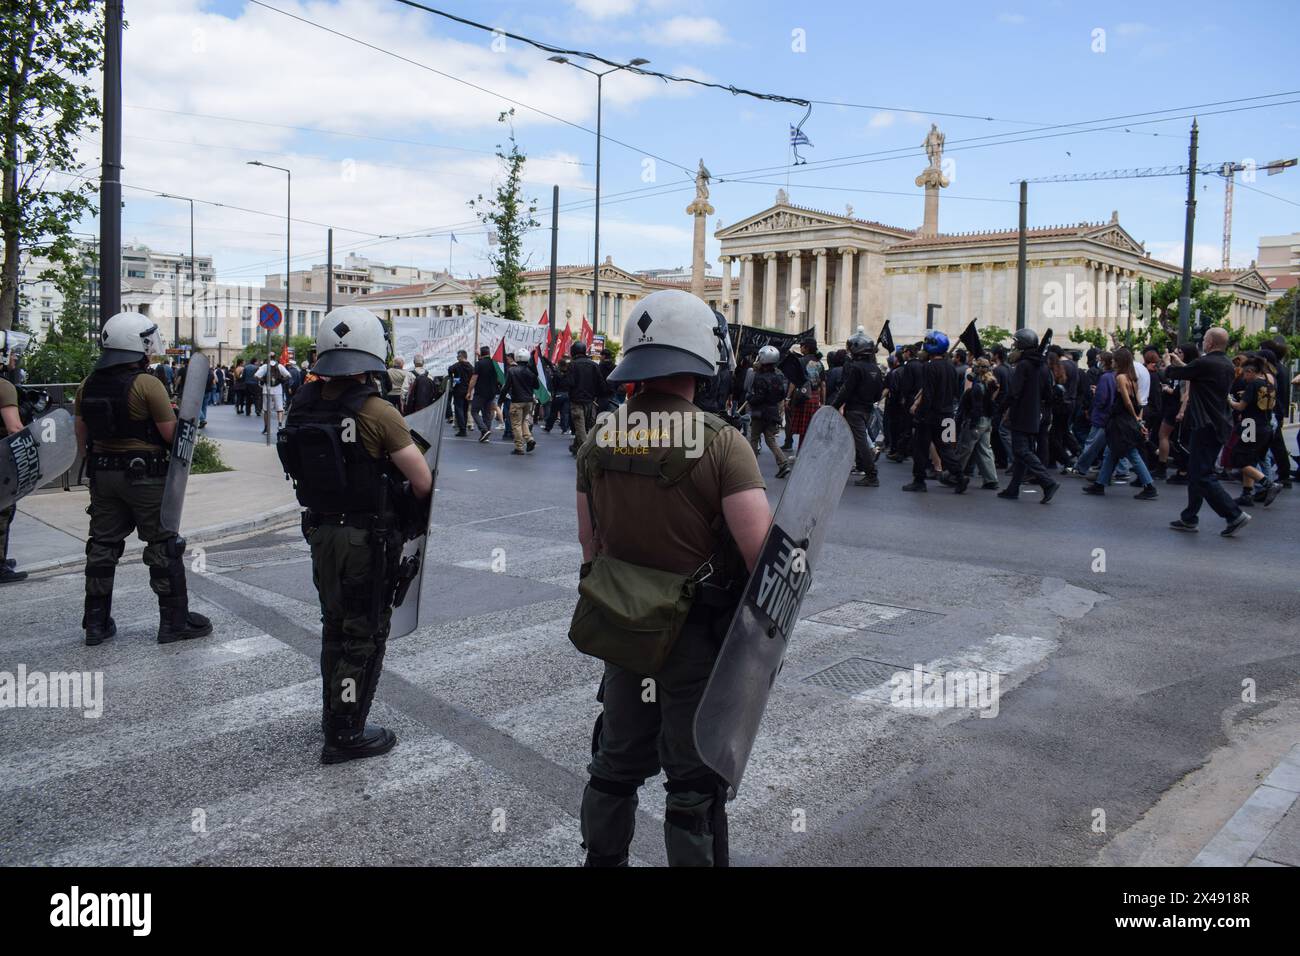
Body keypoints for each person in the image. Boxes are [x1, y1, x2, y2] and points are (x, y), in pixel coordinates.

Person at [574, 288, 770, 867]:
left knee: (614, 762)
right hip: (695, 640)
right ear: (702, 359)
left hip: (623, 628)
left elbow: (591, 546)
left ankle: (601, 860)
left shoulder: (599, 436)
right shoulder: (722, 443)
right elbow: (761, 553)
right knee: (693, 781)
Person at [278, 306, 432, 764]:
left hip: (321, 531)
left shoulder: (301, 403)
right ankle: (345, 733)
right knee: (362, 632)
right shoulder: (376, 411)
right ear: (374, 353)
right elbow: (421, 481)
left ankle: (333, 711)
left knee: (334, 625)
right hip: (364, 539)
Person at [74, 312, 213, 646]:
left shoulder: (87, 384)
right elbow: (170, 436)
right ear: (138, 343)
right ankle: (174, 623)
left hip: (103, 474)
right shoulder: (147, 383)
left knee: (103, 546)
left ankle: (96, 623)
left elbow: (81, 439)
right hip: (144, 476)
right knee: (164, 545)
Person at [1162, 327, 1249, 536]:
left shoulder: (1206, 363)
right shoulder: (1225, 363)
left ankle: (1233, 514)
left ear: (1209, 342)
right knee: (1196, 472)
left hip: (1205, 424)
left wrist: (1167, 362)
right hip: (1218, 423)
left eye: (1205, 339)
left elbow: (1174, 373)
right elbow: (1195, 372)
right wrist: (1183, 364)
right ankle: (1189, 517)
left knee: (1202, 474)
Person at [1081, 348, 1158, 499]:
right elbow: (1137, 400)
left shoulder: (1121, 377)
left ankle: (1149, 486)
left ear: (1120, 361)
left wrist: (1135, 417)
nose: (1112, 362)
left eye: (1115, 360)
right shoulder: (1132, 377)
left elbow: (1127, 401)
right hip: (1126, 421)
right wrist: (1137, 418)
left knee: (1132, 454)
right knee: (1111, 452)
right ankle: (1100, 484)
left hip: (1121, 421)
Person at [997, 328, 1060, 503]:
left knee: (1022, 451)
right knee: (1020, 455)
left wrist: (1001, 409)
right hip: (1034, 416)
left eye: (1017, 344)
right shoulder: (1043, 366)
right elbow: (1049, 394)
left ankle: (1048, 482)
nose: (1014, 347)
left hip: (1021, 415)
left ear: (1023, 346)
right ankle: (1013, 489)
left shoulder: (1024, 365)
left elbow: (1014, 392)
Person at [904, 330, 964, 493]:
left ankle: (919, 480)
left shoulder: (930, 368)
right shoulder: (951, 368)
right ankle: (959, 476)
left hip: (931, 417)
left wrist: (920, 415)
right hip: (948, 414)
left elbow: (928, 395)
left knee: (921, 448)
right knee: (946, 448)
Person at [1227, 356, 1282, 508]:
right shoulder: (1269, 384)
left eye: (1245, 373)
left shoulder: (1253, 384)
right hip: (1265, 426)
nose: (1244, 377)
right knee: (1250, 459)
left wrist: (1230, 401)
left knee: (1239, 459)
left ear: (1251, 371)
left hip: (1250, 425)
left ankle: (1268, 484)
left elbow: (1240, 407)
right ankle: (1247, 493)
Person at [830, 332, 883, 487]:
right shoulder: (875, 369)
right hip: (867, 409)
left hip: (855, 410)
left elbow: (846, 390)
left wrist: (834, 405)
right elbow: (878, 393)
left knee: (861, 442)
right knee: (856, 440)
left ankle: (871, 474)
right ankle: (860, 465)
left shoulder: (856, 368)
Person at [0, 345, 27, 584]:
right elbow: (14, 428)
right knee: (3, 509)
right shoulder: (4, 386)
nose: (15, 357)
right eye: (11, 353)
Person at [745, 345, 791, 479]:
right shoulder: (777, 377)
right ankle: (783, 463)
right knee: (771, 440)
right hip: (773, 412)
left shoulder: (760, 377)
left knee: (754, 438)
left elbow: (759, 397)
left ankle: (750, 467)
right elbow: (781, 394)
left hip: (760, 413)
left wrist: (750, 398)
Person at [954, 358, 1000, 490]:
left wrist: (972, 425)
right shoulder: (989, 383)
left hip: (977, 421)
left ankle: (953, 474)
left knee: (964, 448)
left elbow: (976, 408)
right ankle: (991, 479)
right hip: (986, 420)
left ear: (978, 369)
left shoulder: (978, 386)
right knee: (985, 449)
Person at [567, 340, 609, 456]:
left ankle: (587, 453)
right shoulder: (594, 365)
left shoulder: (572, 365)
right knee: (584, 426)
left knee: (580, 426)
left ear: (573, 351)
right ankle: (576, 446)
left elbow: (569, 383)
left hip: (577, 401)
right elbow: (601, 384)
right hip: (590, 401)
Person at [501, 348, 538, 455]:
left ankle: (519, 447)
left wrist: (501, 400)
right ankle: (529, 439)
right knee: (523, 422)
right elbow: (536, 385)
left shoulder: (512, 371)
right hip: (528, 401)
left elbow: (506, 387)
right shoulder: (531, 371)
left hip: (517, 401)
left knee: (516, 424)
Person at [466, 345, 498, 443]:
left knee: (474, 411)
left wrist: (469, 391)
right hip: (492, 392)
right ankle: (485, 436)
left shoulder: (479, 364)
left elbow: (474, 378)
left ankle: (484, 430)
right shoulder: (495, 363)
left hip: (480, 392)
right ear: (489, 353)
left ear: (481, 354)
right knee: (487, 414)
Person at [255, 356, 292, 434]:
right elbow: (289, 375)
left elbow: (256, 375)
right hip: (278, 390)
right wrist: (281, 380)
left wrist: (264, 380)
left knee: (266, 410)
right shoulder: (280, 366)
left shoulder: (265, 366)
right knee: (280, 409)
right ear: (275, 358)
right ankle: (280, 425)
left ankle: (266, 428)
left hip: (266, 390)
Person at [445, 351, 473, 434]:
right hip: (467, 390)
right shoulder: (471, 366)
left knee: (458, 409)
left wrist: (452, 377)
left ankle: (462, 429)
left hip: (458, 390)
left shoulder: (457, 365)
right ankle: (463, 426)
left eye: (458, 356)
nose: (457, 358)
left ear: (461, 357)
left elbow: (450, 369)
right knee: (465, 409)